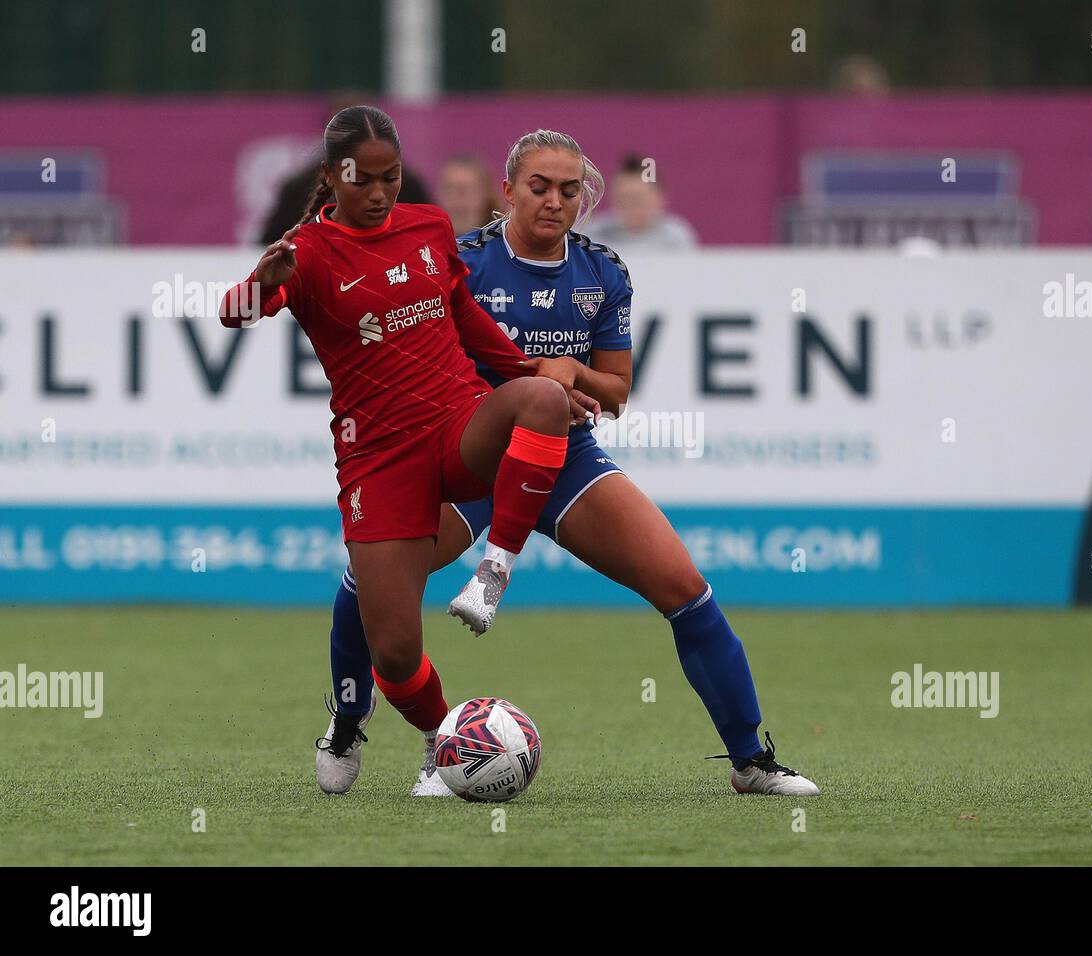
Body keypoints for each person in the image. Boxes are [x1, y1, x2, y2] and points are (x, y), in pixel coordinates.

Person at [317, 129, 820, 798]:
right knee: (368, 579)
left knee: (686, 591)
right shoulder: (458, 260)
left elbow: (614, 394)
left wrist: (572, 371)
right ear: (508, 192)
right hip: (470, 461)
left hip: (567, 463)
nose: (555, 201)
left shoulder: (603, 271)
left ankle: (751, 762)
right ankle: (350, 722)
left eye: (569, 189)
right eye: (540, 187)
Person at [220, 106, 598, 795]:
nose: (381, 191)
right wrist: (260, 281)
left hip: (457, 424)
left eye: (391, 177)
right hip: (379, 461)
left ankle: (493, 574)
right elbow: (233, 314)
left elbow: (465, 315)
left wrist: (527, 375)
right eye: (365, 179)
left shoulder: (426, 225)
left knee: (543, 399)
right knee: (394, 653)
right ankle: (433, 738)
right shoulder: (304, 252)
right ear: (334, 176)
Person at [257, 98, 433, 246]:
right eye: (359, 181)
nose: (378, 195)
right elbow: (265, 248)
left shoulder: (411, 188)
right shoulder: (297, 189)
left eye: (390, 178)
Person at [583, 153, 698, 252]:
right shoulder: (592, 237)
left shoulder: (676, 237)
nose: (631, 207)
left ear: (660, 199)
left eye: (639, 199)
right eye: (624, 199)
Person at [435, 154, 498, 236]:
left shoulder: (508, 245)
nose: (456, 199)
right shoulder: (423, 243)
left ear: (486, 195)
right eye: (449, 190)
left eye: (466, 190)